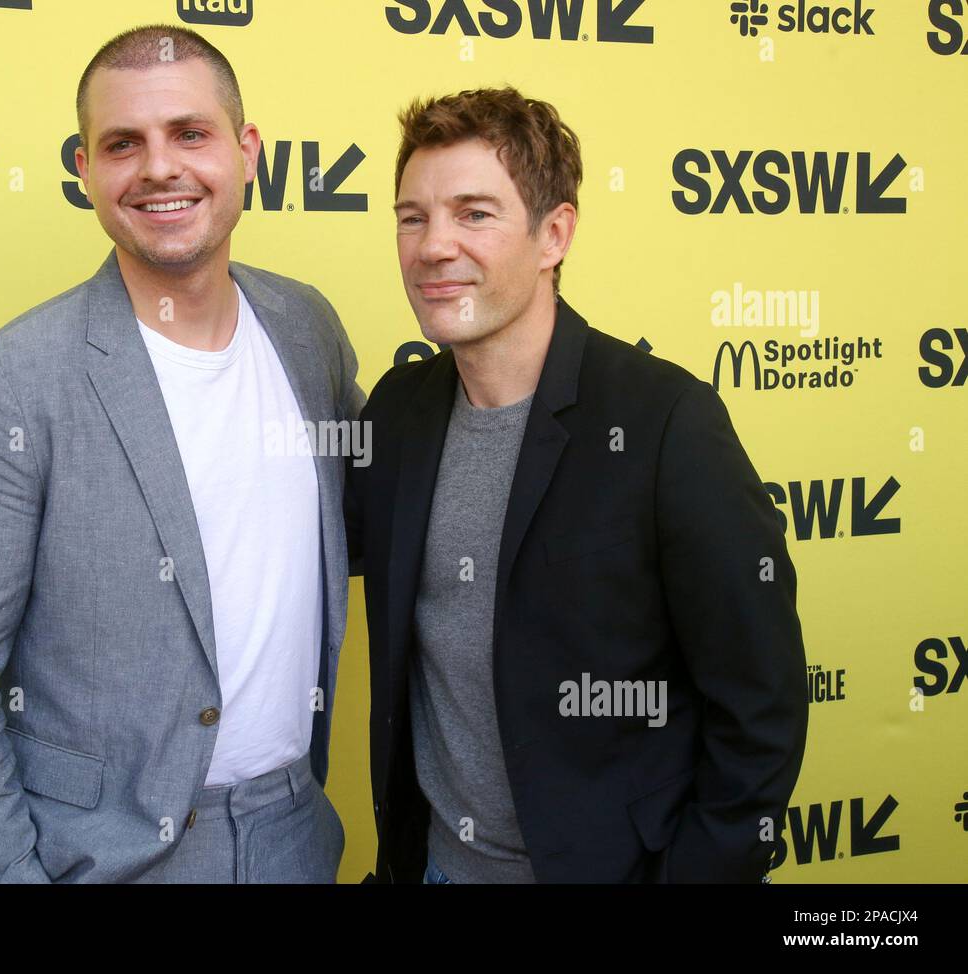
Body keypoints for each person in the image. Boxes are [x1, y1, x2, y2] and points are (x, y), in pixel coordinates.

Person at [0, 23, 362, 884]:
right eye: (122, 144)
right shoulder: (15, 381)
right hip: (105, 858)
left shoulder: (306, 329)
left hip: (297, 828)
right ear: (84, 171)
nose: (159, 168)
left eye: (190, 133)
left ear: (247, 150)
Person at [346, 87, 808, 883]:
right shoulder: (397, 413)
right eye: (412, 216)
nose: (433, 246)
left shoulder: (666, 422)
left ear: (553, 233)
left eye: (475, 214)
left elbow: (761, 707)